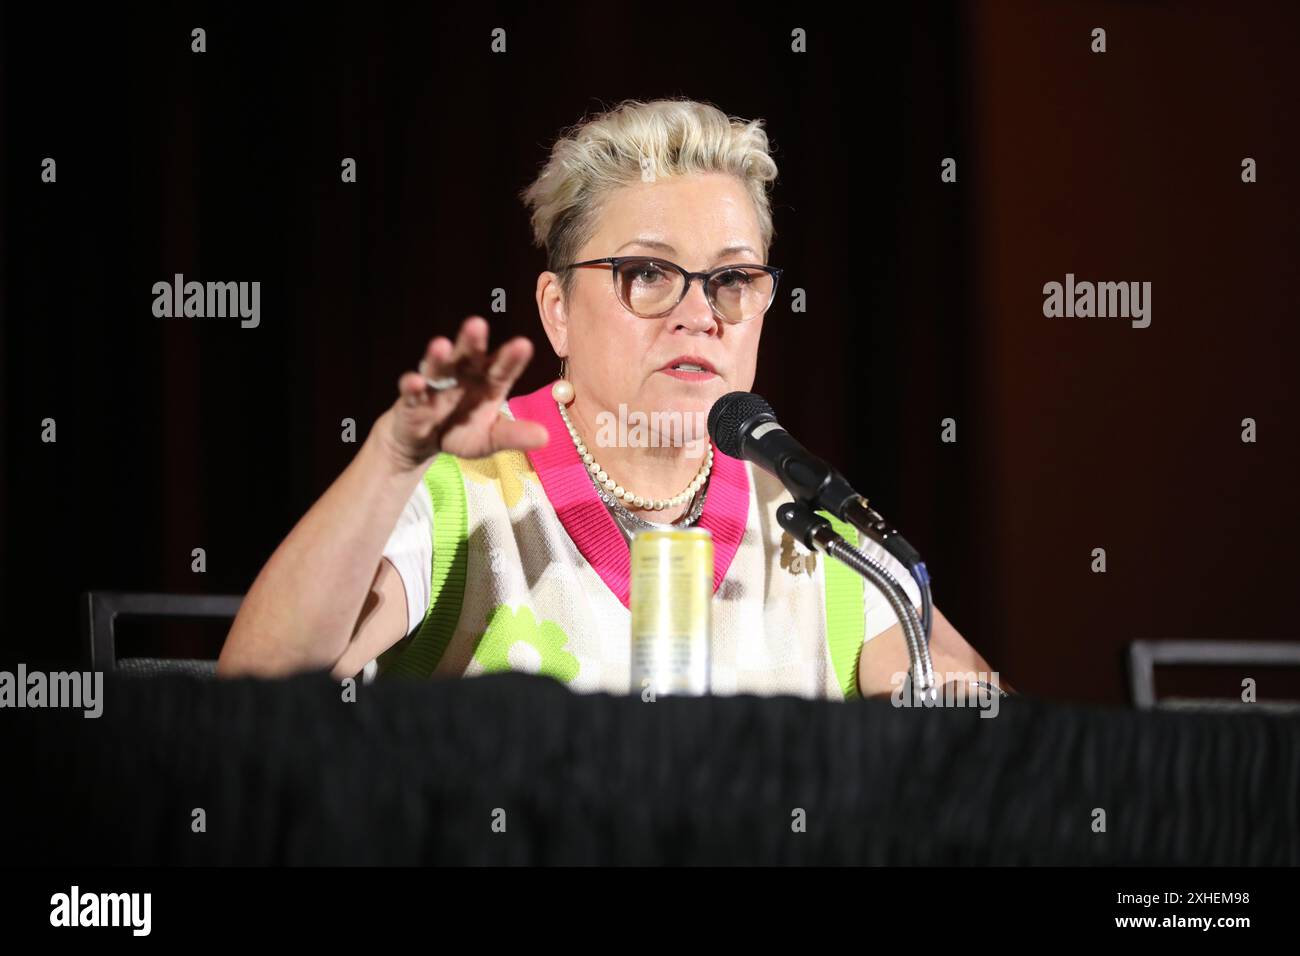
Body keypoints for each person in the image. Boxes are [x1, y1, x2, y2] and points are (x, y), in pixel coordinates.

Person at [217, 98, 1000, 699]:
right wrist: (390, 459)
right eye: (650, 274)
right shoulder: (461, 497)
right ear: (557, 308)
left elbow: (976, 725)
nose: (701, 313)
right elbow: (257, 688)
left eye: (732, 280)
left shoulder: (808, 528)